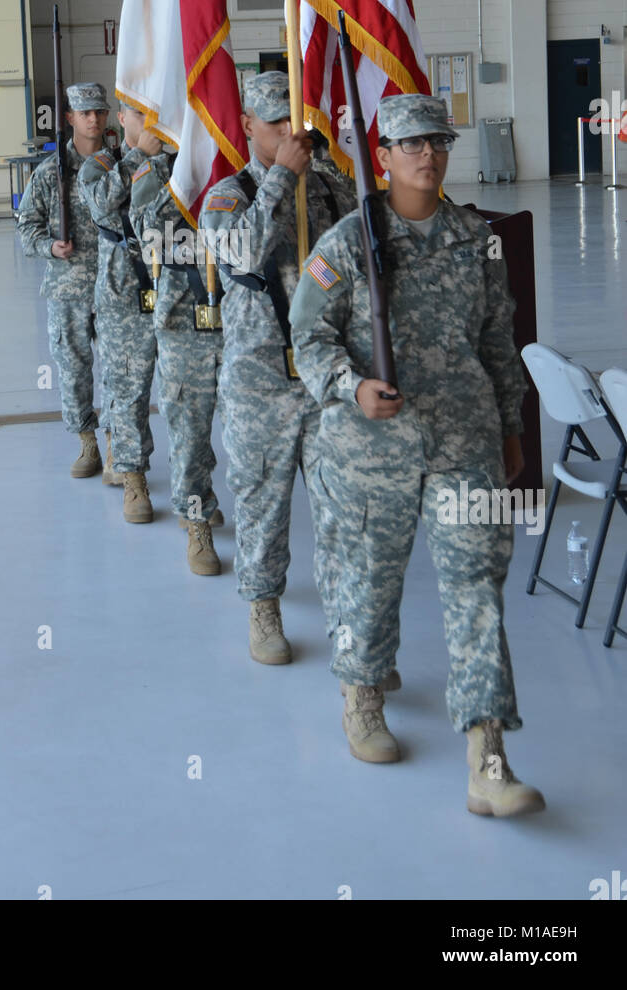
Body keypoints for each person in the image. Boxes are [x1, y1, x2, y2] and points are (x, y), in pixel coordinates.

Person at [289, 93, 545, 818]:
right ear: (383, 157)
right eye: (409, 145)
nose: (425, 155)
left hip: (463, 440)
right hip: (371, 447)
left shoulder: (477, 238)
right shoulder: (346, 241)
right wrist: (350, 386)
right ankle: (362, 696)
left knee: (477, 591)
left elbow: (499, 336)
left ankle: (488, 759)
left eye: (436, 141)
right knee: (368, 578)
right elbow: (306, 335)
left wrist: (510, 426)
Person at [200, 72, 358, 664]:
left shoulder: (332, 189)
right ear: (247, 127)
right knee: (263, 500)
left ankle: (352, 629)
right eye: (276, 126)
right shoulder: (228, 195)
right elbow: (241, 252)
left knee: (342, 505)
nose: (293, 136)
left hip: (326, 376)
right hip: (258, 381)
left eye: (299, 126)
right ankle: (264, 608)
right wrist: (281, 176)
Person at [129, 139, 225, 575]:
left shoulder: (234, 163)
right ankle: (196, 517)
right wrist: (183, 183)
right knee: (189, 420)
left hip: (244, 304)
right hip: (184, 307)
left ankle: (208, 498)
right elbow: (144, 229)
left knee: (249, 430)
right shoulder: (157, 172)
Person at [17, 82, 110, 478]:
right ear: (70, 118)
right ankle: (87, 442)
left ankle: (120, 446)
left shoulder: (120, 167)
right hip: (68, 286)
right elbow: (27, 229)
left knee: (122, 370)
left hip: (115, 287)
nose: (93, 119)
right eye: (85, 113)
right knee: (73, 368)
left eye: (99, 112)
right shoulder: (48, 174)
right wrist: (49, 247)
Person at [79, 101, 159, 524]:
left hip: (176, 284)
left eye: (154, 113)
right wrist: (139, 156)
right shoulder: (100, 165)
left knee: (186, 396)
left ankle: (193, 495)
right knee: (128, 389)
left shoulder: (179, 163)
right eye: (138, 112)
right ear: (122, 118)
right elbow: (100, 205)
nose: (149, 123)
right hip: (123, 289)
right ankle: (133, 479)